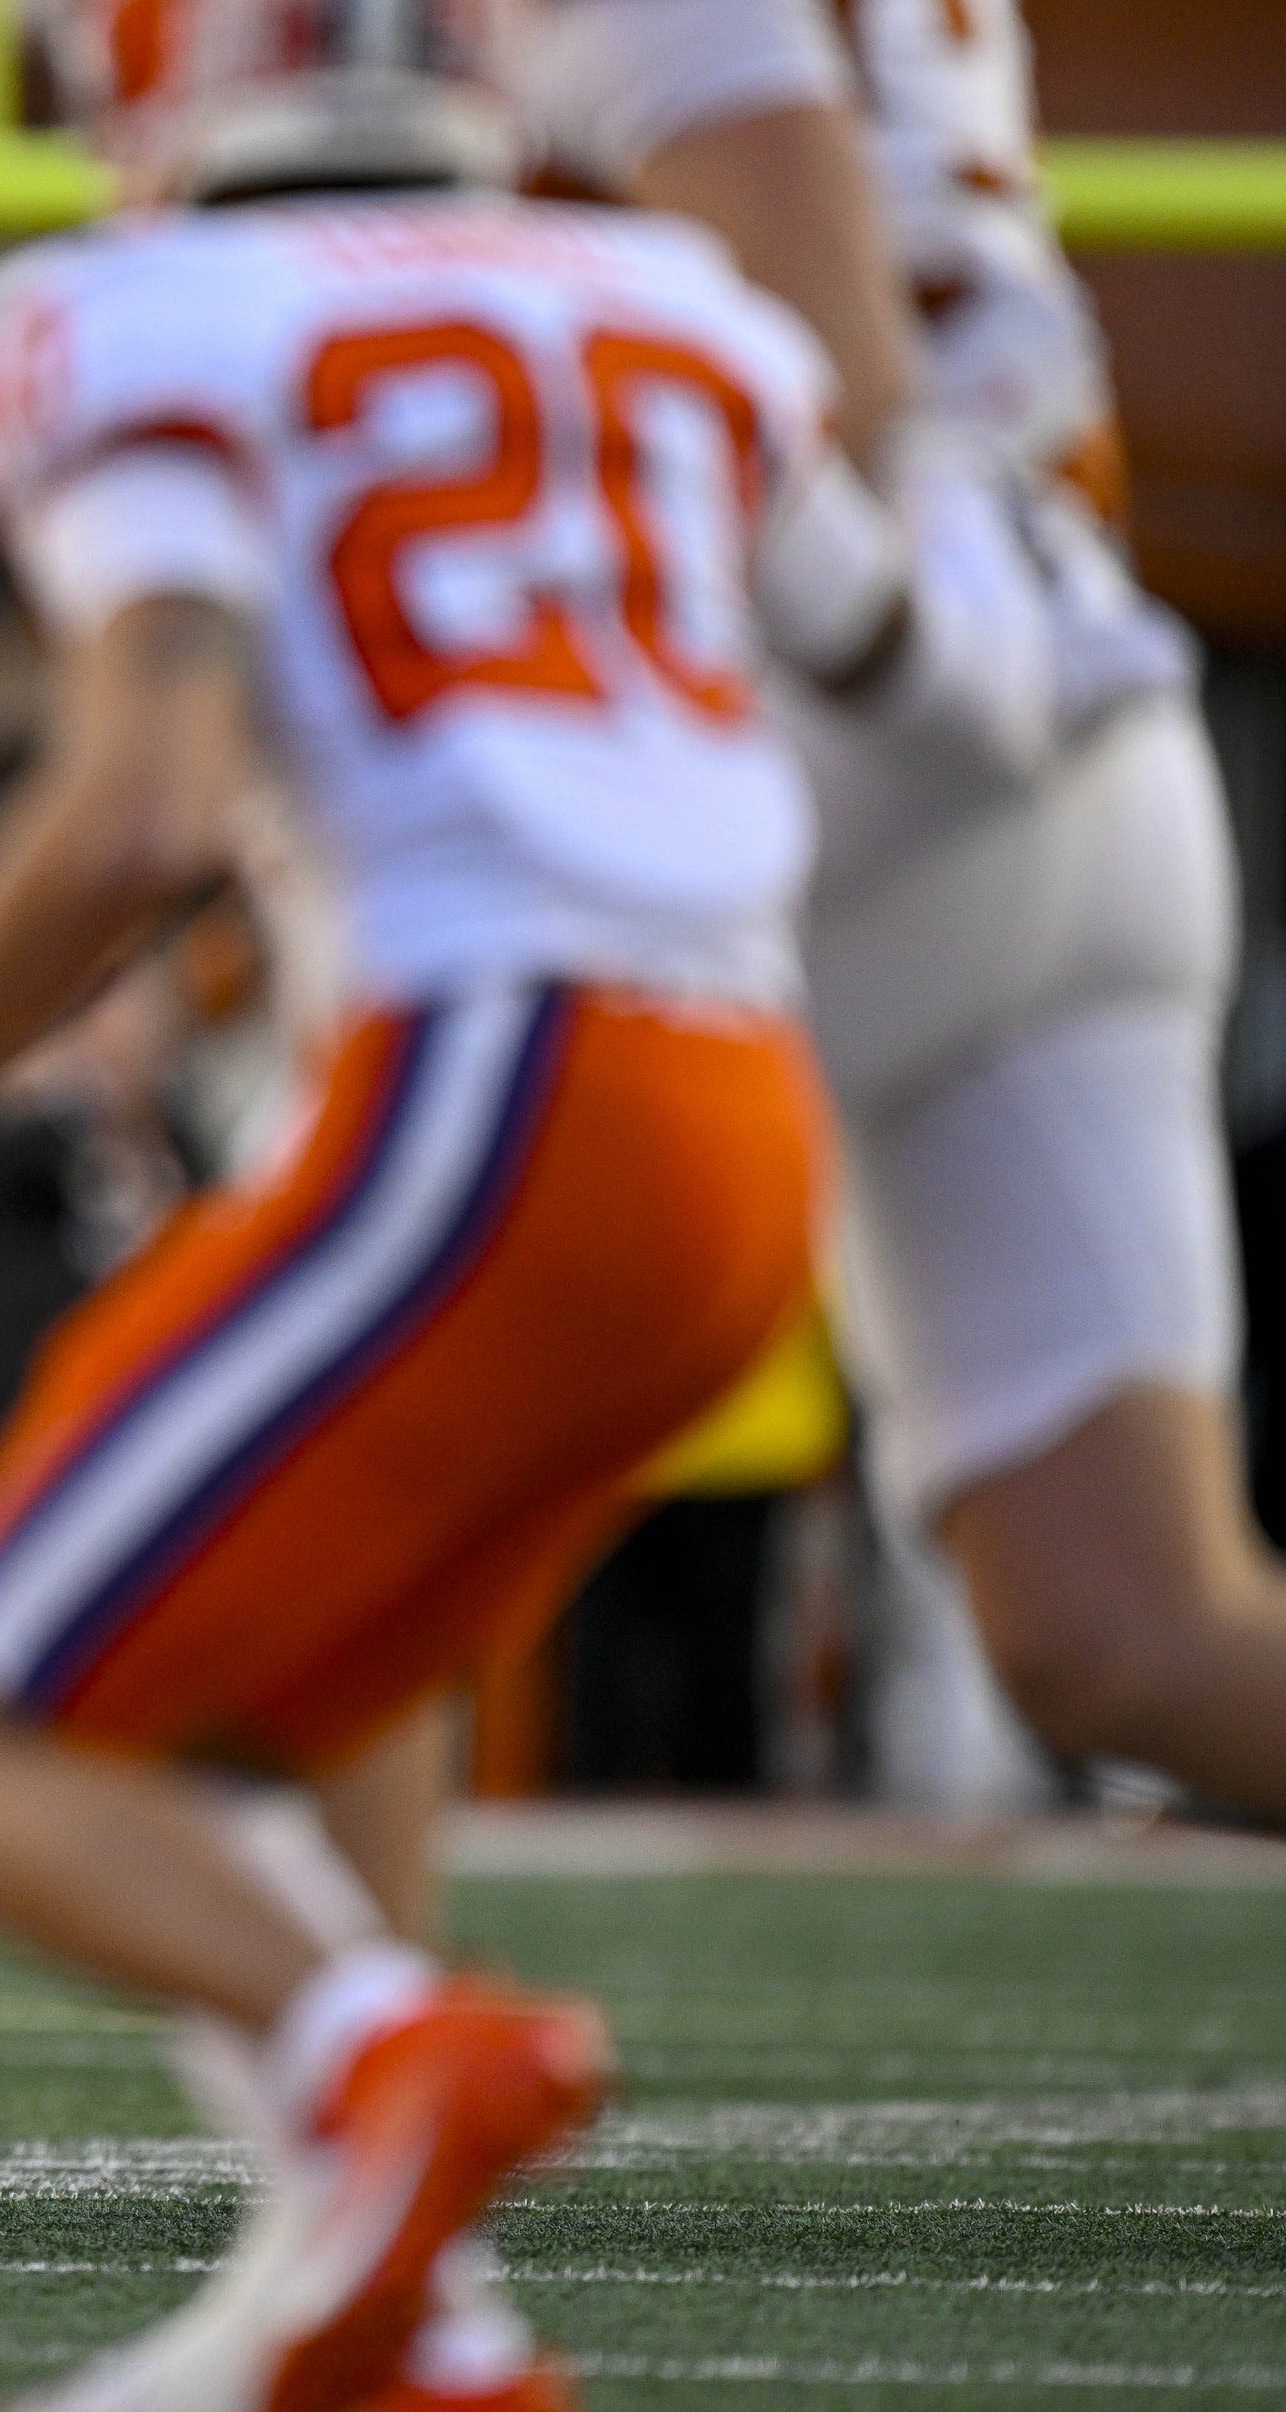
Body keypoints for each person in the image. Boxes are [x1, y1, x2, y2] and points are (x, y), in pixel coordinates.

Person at [0, 0, 1051, 2398]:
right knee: (318, 1684)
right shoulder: (677, 313)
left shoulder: (141, 322)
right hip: (732, 1120)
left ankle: (387, 2056)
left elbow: (141, 806)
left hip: (498, 1077)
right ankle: (404, 2303)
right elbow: (934, 680)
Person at [519, 0, 1286, 1822]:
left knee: (358, 1364)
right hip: (1052, 679)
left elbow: (801, 282)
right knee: (1130, 1633)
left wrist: (903, 625)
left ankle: (338, 2059)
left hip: (829, 699)